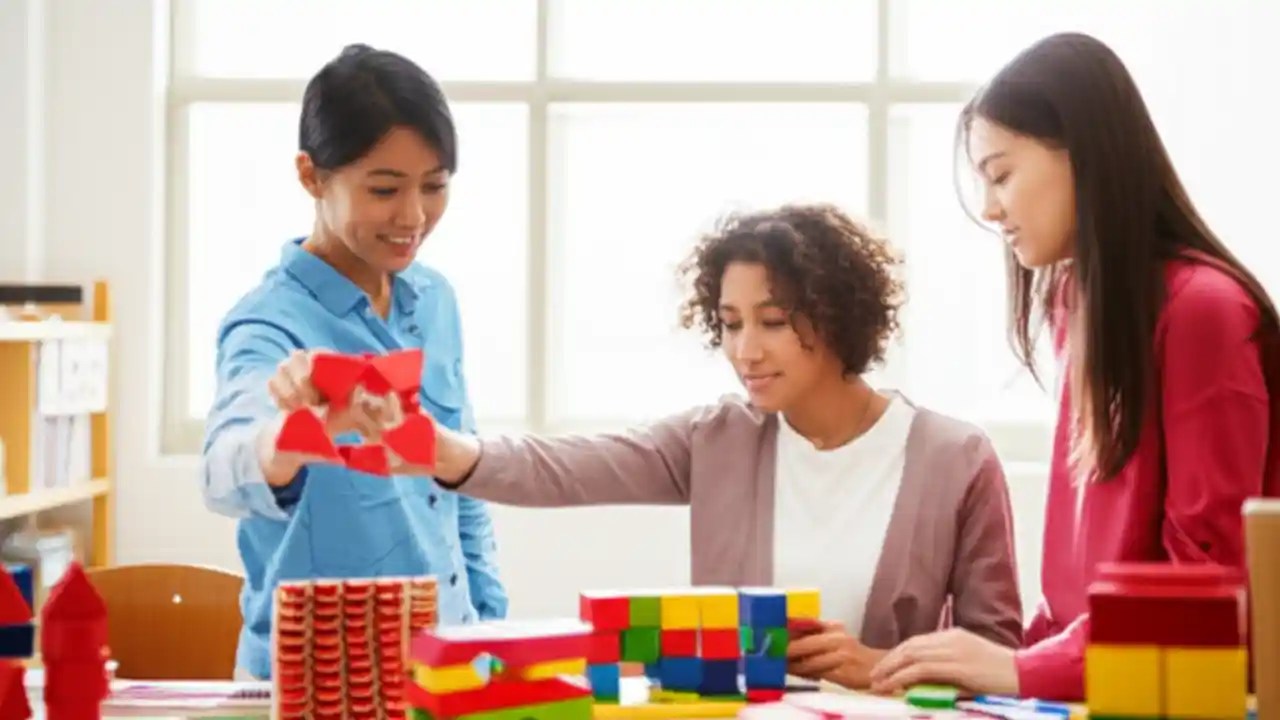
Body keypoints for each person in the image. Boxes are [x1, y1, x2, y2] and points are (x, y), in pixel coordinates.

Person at [415, 202, 1023, 690]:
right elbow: (573, 467)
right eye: (731, 324)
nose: (745, 351)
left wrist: (879, 667)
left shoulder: (955, 459)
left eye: (773, 321)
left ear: (838, 316)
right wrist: (449, 452)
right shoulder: (718, 441)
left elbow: (1000, 660)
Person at [868, 32, 1280, 700]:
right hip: (1102, 683)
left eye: (1001, 173)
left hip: (1186, 692)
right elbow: (1075, 597)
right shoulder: (1078, 303)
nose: (988, 208)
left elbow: (1207, 594)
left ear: (1083, 155)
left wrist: (1020, 669)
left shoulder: (1205, 311)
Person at [199, 44, 508, 680]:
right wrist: (293, 432)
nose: (414, 217)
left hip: (449, 665)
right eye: (385, 189)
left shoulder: (435, 299)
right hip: (320, 680)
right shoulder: (268, 324)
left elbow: (461, 483)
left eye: (435, 187)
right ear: (312, 176)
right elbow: (225, 469)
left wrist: (490, 632)